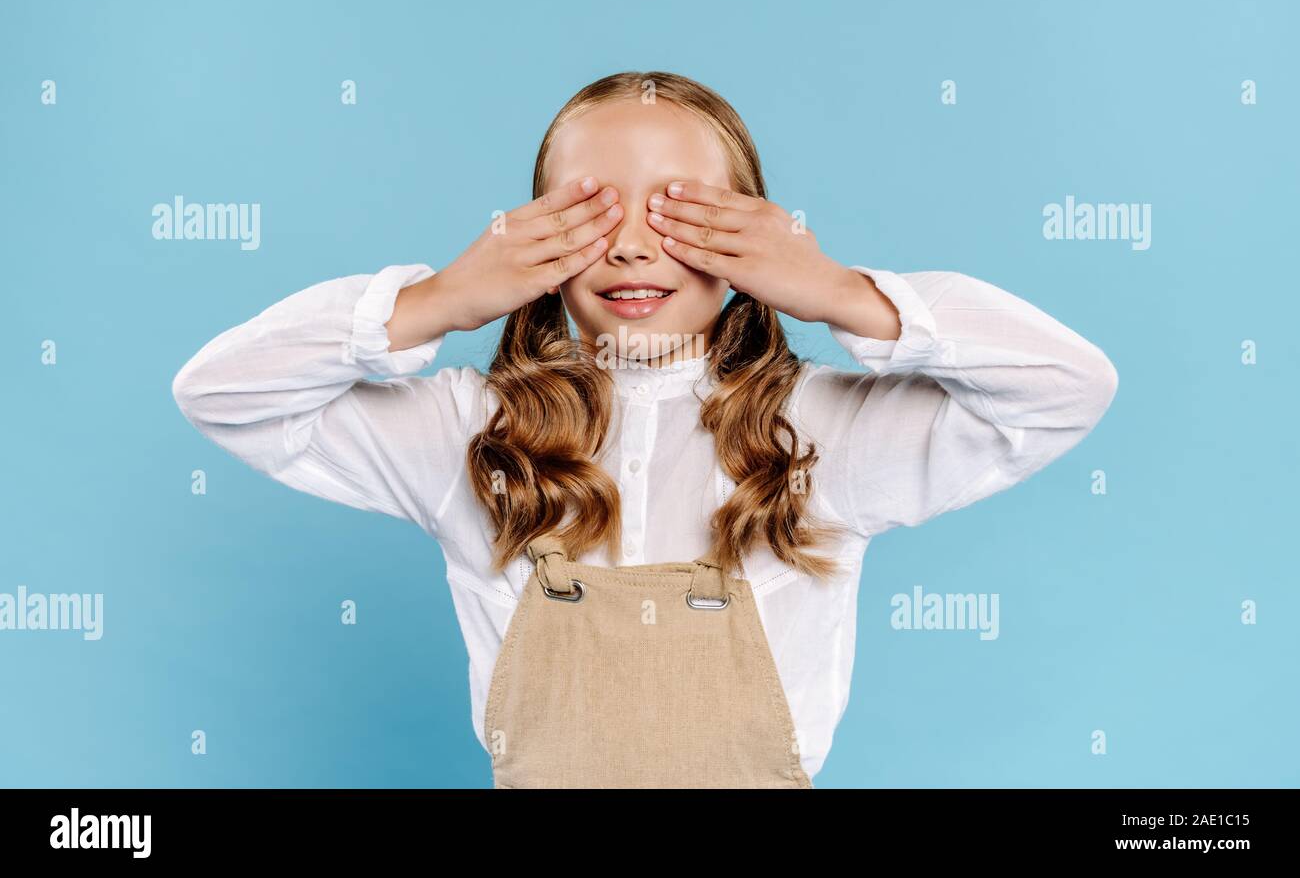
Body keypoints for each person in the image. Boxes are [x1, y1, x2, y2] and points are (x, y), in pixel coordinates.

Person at [171, 71, 1119, 788]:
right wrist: (437, 301)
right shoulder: (472, 434)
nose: (629, 245)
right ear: (529, 235)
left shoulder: (822, 433)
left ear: (753, 229)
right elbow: (222, 391)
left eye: (679, 212)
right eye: (590, 211)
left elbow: (1069, 385)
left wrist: (839, 291)